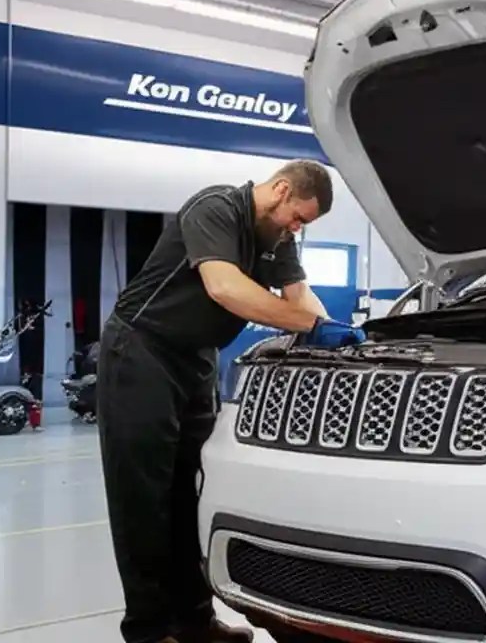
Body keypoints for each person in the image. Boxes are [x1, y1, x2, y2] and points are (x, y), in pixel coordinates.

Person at [96, 160, 366, 643]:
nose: (297, 228)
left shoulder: (278, 238)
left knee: (190, 497)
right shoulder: (215, 207)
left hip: (196, 358)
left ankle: (196, 623)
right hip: (141, 350)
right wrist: (309, 328)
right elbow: (224, 288)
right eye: (298, 217)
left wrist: (350, 340)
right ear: (281, 190)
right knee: (143, 499)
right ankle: (149, 630)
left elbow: (300, 297)